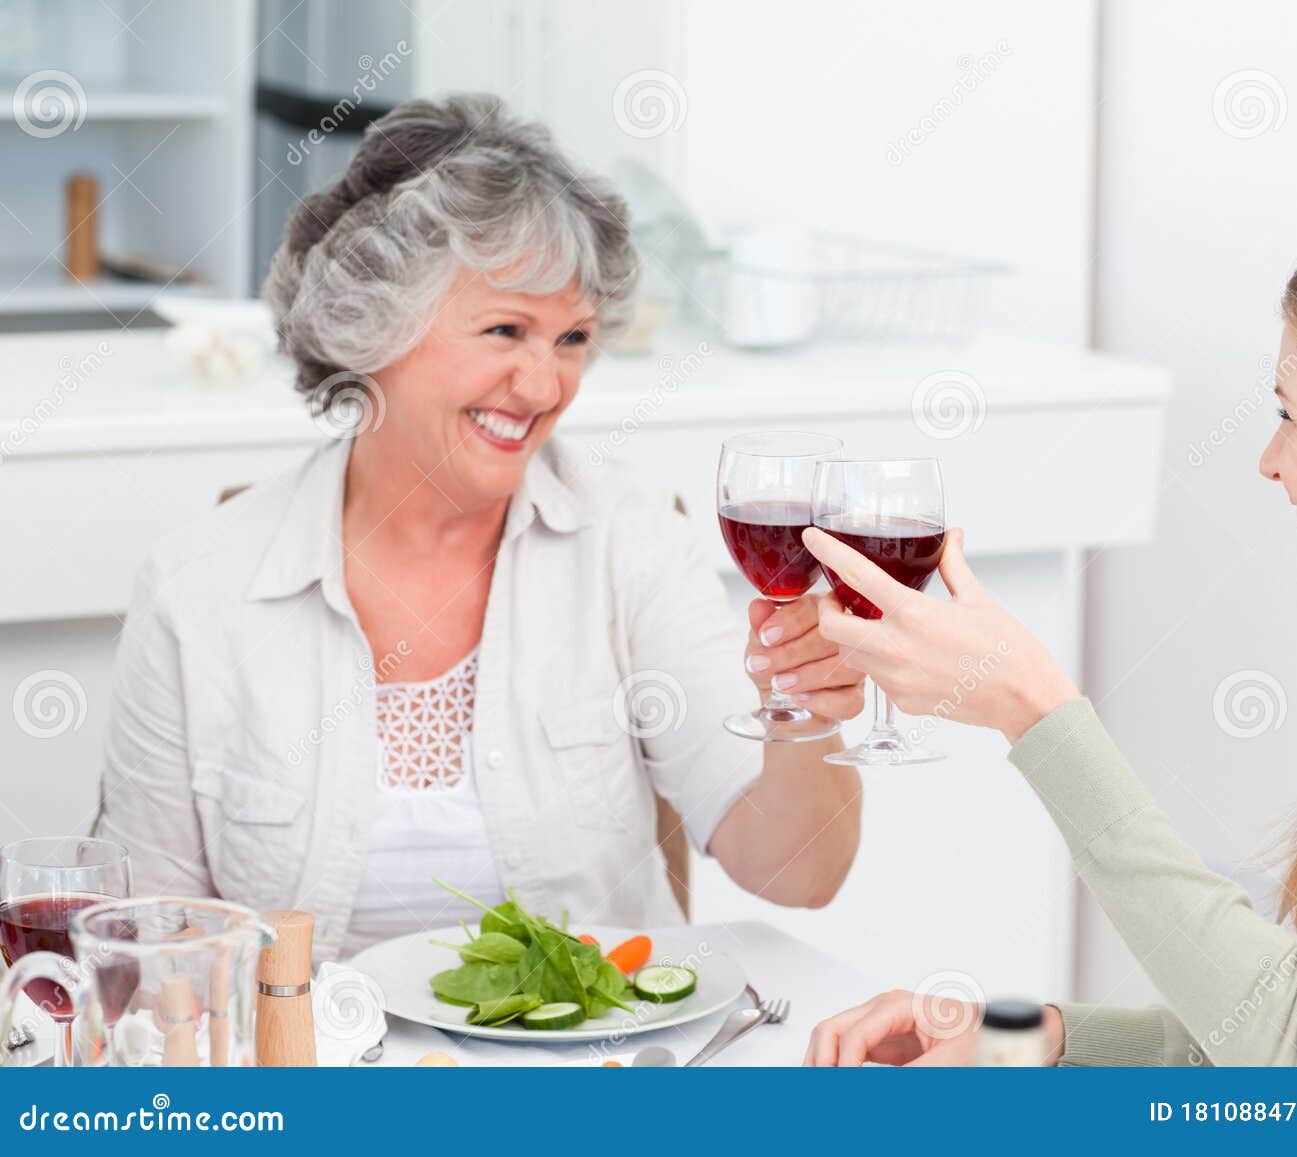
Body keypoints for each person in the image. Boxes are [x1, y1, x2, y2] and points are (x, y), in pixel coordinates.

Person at [803, 207, 1297, 1066]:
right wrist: (1020, 1041)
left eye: (1291, 415)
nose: (1268, 459)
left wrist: (1036, 711)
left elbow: (1292, 1035)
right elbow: (1277, 1023)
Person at [93, 96, 864, 962]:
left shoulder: (632, 541)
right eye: (506, 330)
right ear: (372, 328)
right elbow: (142, 948)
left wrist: (806, 708)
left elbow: (799, 873)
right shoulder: (199, 586)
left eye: (572, 338)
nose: (542, 387)